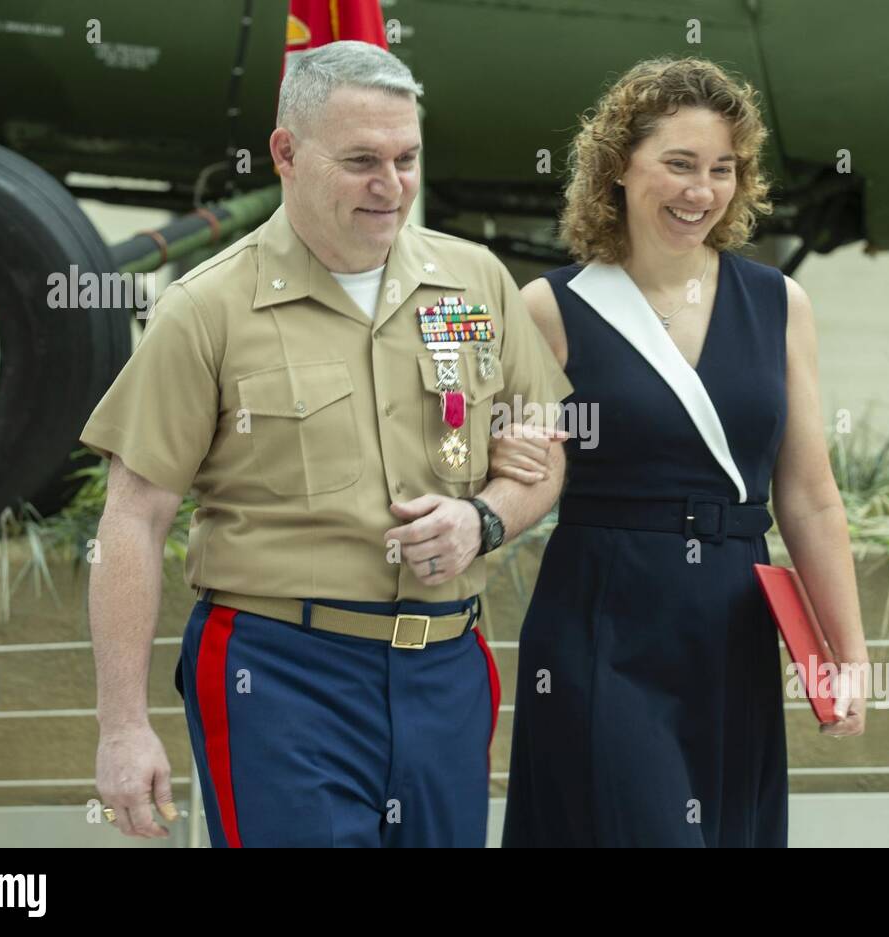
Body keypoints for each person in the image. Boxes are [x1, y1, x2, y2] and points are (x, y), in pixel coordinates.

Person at [79, 40, 572, 847]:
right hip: (278, 674)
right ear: (286, 153)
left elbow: (542, 450)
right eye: (361, 161)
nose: (392, 185)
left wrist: (482, 519)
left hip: (446, 668)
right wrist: (122, 726)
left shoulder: (476, 279)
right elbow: (133, 518)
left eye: (407, 157)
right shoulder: (206, 309)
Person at [495, 57, 869, 847]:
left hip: (733, 622)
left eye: (721, 169)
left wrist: (848, 652)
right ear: (619, 168)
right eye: (678, 164)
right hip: (601, 618)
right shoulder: (551, 308)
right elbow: (513, 469)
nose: (701, 191)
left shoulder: (779, 304)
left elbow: (808, 496)